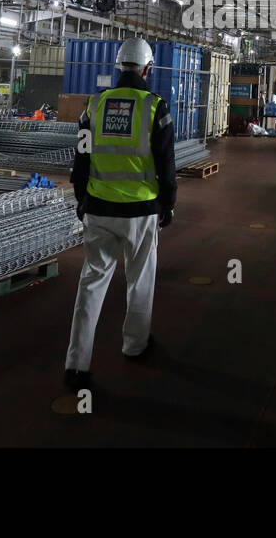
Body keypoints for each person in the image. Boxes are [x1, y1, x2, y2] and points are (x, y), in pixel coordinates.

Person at [64, 38, 176, 389]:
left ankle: (76, 365)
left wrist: (83, 200)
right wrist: (168, 204)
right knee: (139, 282)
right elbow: (167, 166)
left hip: (98, 210)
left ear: (118, 67)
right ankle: (135, 346)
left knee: (91, 285)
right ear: (147, 69)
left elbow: (81, 160)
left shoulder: (93, 107)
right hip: (141, 213)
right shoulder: (156, 108)